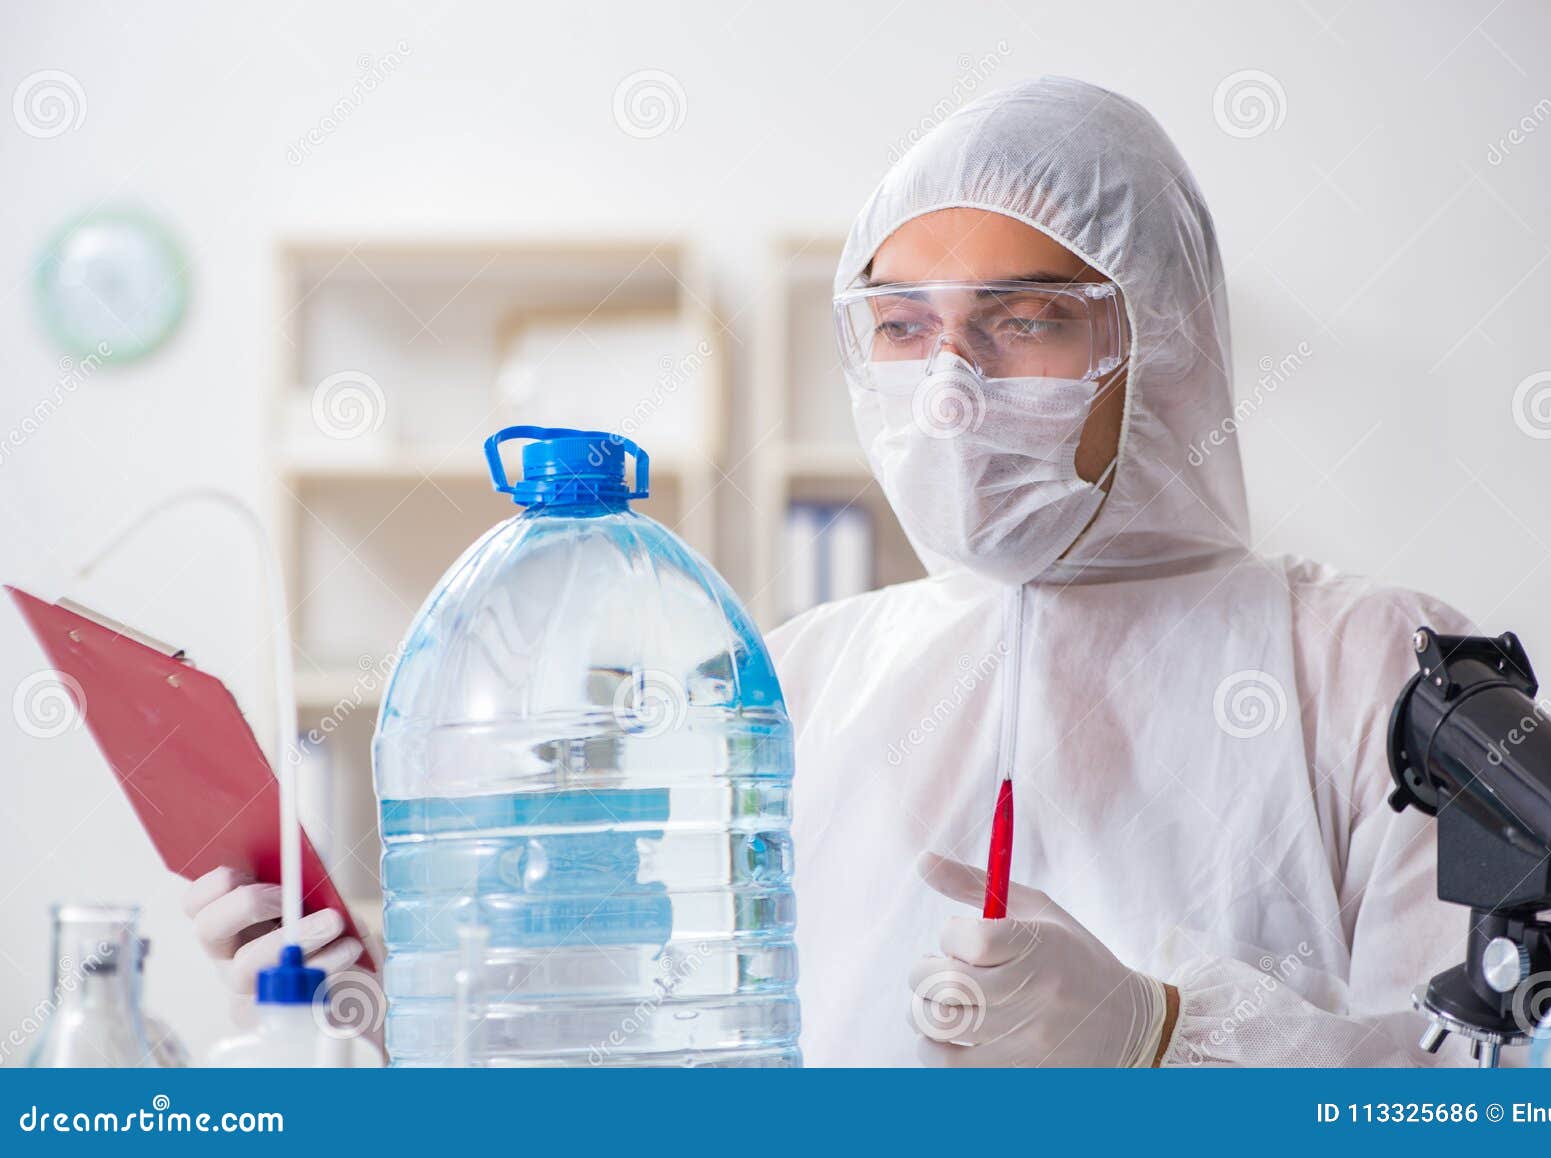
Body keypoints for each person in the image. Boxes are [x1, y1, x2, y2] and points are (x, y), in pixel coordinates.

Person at [189, 76, 1475, 1067]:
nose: (950, 394)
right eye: (906, 329)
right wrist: (350, 1012)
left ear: (1166, 334)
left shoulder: (1375, 669)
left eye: (1022, 320)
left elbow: (1498, 1092)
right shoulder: (799, 673)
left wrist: (1158, 1038)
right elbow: (642, 1050)